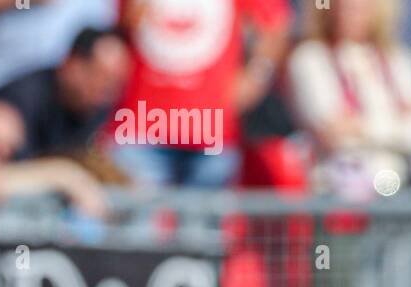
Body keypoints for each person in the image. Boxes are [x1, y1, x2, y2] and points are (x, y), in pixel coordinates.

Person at [115, 0, 292, 188]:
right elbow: (116, 24)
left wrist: (255, 77)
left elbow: (275, 24)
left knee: (202, 214)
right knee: (136, 215)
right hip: (139, 128)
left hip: (212, 132)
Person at [287, 0, 411, 198]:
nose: (353, 12)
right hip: (340, 196)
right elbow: (336, 137)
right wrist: (401, 121)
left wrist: (361, 127)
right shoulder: (310, 58)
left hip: (403, 193)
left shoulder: (398, 58)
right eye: (346, 6)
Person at [0, 24, 130, 160]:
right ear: (73, 64)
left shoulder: (97, 108)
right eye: (102, 78)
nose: (109, 93)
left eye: (115, 83)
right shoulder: (21, 100)